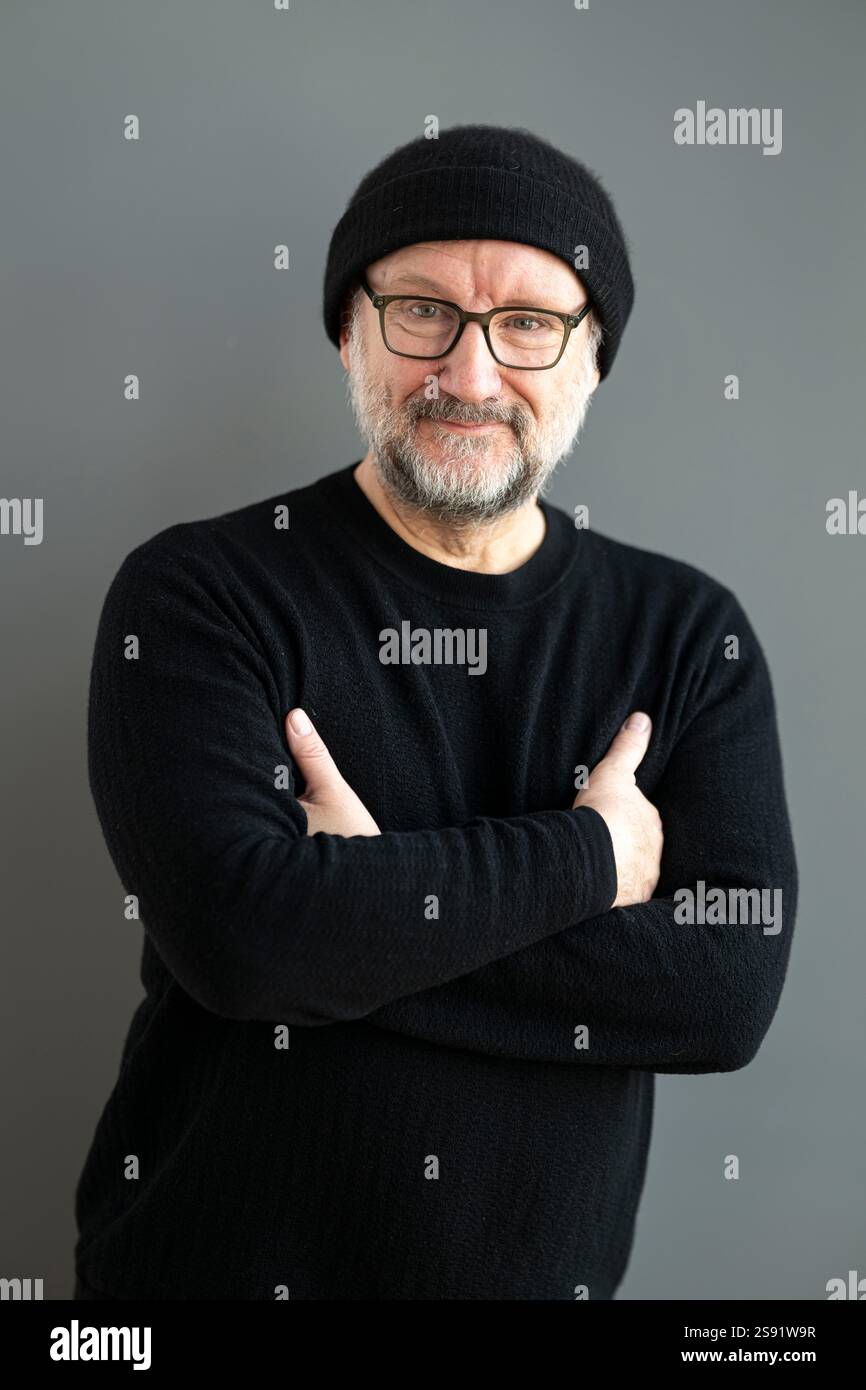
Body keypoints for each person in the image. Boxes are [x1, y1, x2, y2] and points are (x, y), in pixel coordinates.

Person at [74, 124, 797, 1300]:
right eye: (422, 312)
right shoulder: (201, 593)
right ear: (348, 330)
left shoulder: (682, 631)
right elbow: (242, 942)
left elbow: (721, 992)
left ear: (591, 357)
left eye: (525, 324)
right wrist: (590, 854)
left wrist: (360, 909)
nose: (468, 376)